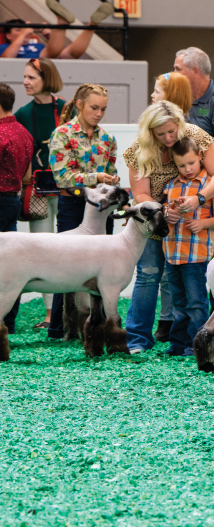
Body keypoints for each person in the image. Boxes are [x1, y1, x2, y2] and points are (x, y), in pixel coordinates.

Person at [122, 101, 214, 354]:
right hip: (155, 219)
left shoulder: (196, 136)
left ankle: (191, 341)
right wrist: (161, 213)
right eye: (161, 134)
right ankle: (137, 338)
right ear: (150, 132)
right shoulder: (137, 150)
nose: (169, 138)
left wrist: (198, 199)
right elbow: (140, 193)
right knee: (148, 275)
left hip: (190, 223)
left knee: (189, 289)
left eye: (172, 131)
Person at [47, 84, 118, 341]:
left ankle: (99, 327)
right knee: (64, 265)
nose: (99, 113)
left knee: (101, 266)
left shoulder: (108, 138)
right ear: (79, 104)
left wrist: (111, 179)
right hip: (73, 205)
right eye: (94, 107)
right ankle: (60, 327)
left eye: (103, 109)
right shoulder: (62, 134)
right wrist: (95, 177)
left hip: (102, 209)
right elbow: (61, 177)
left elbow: (109, 169)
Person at [162, 136, 214, 356]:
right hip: (172, 253)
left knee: (196, 303)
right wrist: (168, 215)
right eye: (181, 165)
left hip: (196, 255)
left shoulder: (210, 185)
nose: (188, 169)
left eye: (191, 163)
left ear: (200, 156)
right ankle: (177, 343)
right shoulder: (171, 185)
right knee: (178, 303)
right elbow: (166, 211)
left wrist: (202, 223)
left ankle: (198, 345)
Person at [14, 58, 66, 328]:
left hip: (68, 188)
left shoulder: (66, 108)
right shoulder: (23, 113)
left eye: (31, 77)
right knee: (42, 248)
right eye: (25, 77)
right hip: (37, 190)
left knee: (69, 246)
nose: (25, 82)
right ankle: (49, 313)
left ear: (46, 79)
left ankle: (68, 309)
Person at [173, 47, 214, 255]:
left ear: (195, 71)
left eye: (178, 69)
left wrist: (204, 181)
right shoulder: (181, 102)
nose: (174, 74)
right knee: (188, 256)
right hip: (187, 190)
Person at [146, 71, 193, 340]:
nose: (152, 96)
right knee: (158, 273)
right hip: (160, 212)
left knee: (179, 272)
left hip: (183, 213)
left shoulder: (191, 135)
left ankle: (177, 324)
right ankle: (167, 322)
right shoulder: (149, 137)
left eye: (157, 91)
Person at [0, 82, 34, 334]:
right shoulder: (24, 132)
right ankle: (7, 321)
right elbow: (27, 175)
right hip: (12, 199)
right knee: (9, 265)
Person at [1, 0, 115, 59]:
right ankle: (61, 23)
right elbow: (7, 59)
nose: (22, 32)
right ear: (8, 35)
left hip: (47, 64)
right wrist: (24, 33)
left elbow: (55, 54)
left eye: (23, 29)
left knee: (67, 54)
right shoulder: (4, 47)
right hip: (32, 66)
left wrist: (50, 37)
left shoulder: (38, 45)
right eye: (18, 30)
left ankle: (92, 25)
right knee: (59, 55)